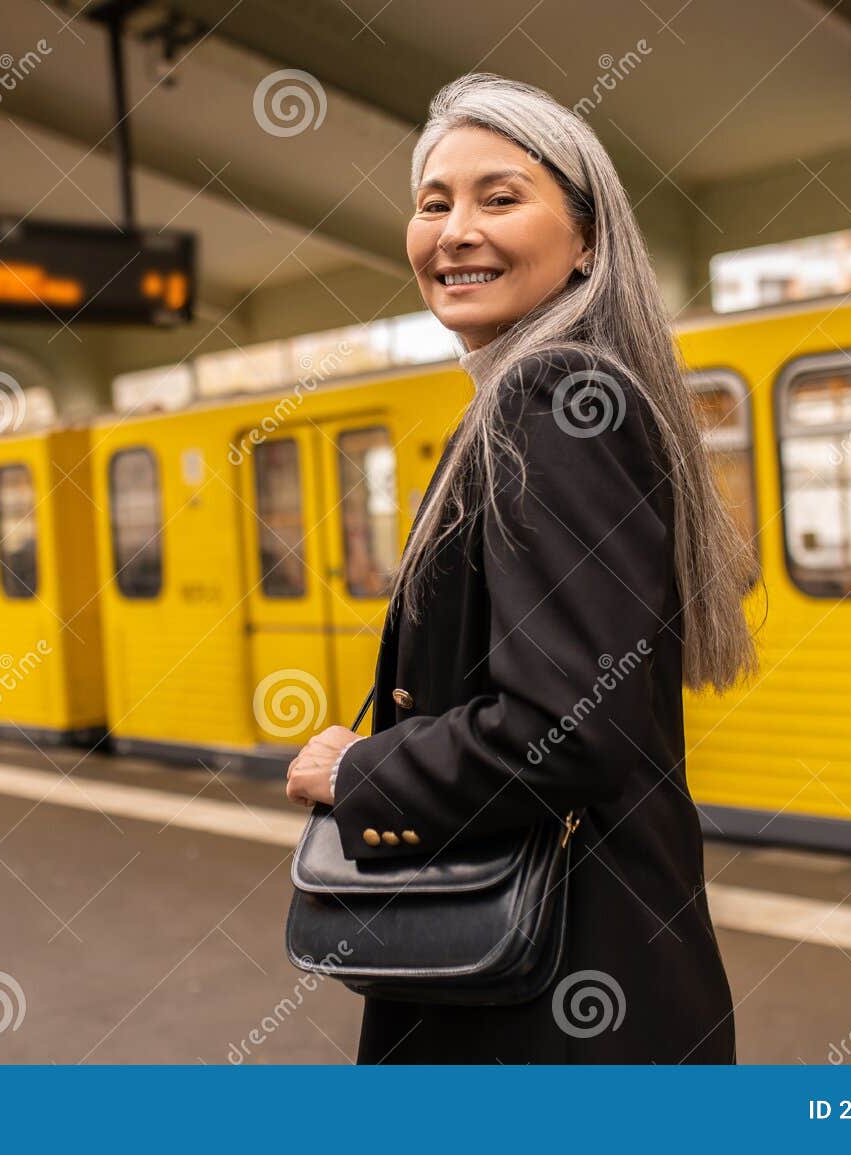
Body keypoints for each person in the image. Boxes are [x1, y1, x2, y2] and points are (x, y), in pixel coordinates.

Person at [284, 73, 760, 1063]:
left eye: (500, 198)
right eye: (432, 203)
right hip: (595, 976)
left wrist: (360, 768)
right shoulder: (552, 393)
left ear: (588, 240)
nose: (455, 230)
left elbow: (569, 727)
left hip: (546, 1004)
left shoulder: (552, 398)